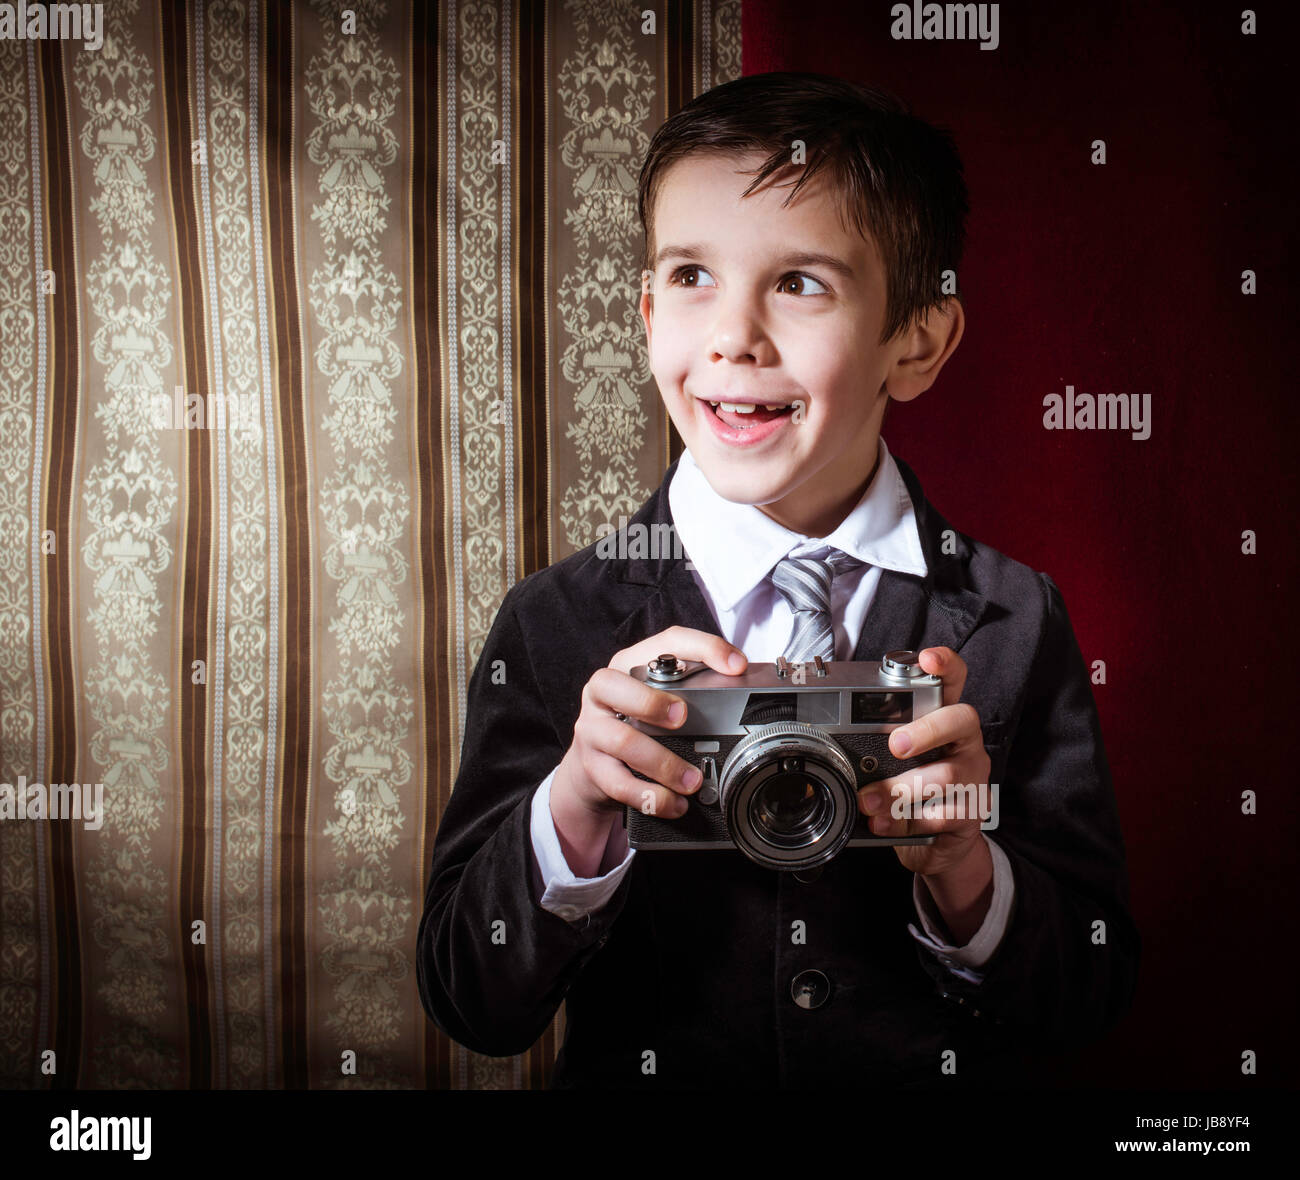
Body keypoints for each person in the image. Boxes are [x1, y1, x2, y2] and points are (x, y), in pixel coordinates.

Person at [416, 72, 1139, 1089]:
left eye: (800, 282)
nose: (732, 336)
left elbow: (1091, 995)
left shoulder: (1015, 620)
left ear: (917, 341)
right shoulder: (557, 621)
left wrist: (970, 873)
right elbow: (468, 1000)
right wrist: (576, 801)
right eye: (690, 276)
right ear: (644, 310)